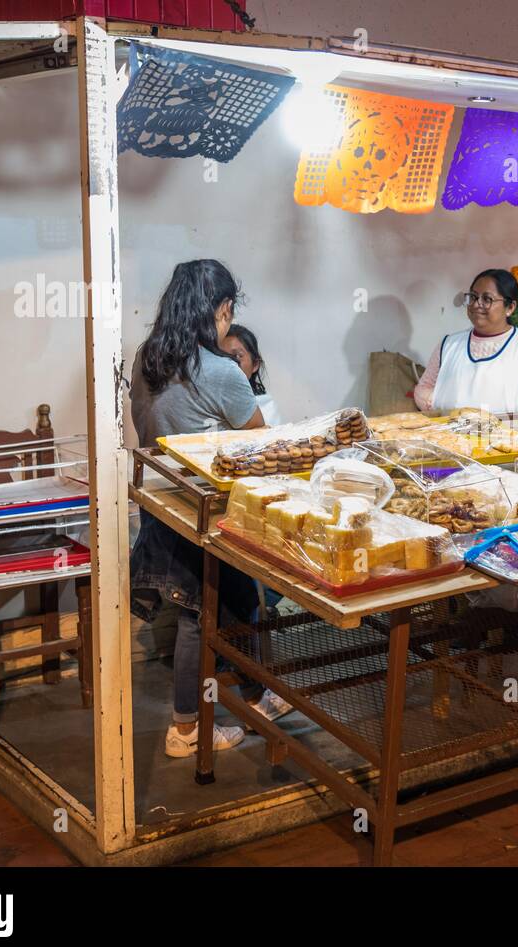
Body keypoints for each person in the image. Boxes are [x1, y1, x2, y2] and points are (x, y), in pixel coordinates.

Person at [128, 259, 294, 759]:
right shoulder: (220, 371)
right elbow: (261, 444)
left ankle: (255, 695)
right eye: (229, 311)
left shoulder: (146, 359)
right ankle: (184, 730)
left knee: (239, 598)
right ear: (222, 310)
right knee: (199, 617)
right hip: (211, 514)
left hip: (166, 502)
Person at [414, 268, 518, 414]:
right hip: (448, 432)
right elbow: (423, 388)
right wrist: (444, 409)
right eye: (473, 297)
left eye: (487, 299)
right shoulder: (449, 345)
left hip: (505, 434)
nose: (476, 304)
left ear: (510, 307)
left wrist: (505, 417)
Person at [223, 323, 283, 425]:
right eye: (221, 357)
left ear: (254, 364)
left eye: (236, 356)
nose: (228, 365)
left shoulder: (265, 408)